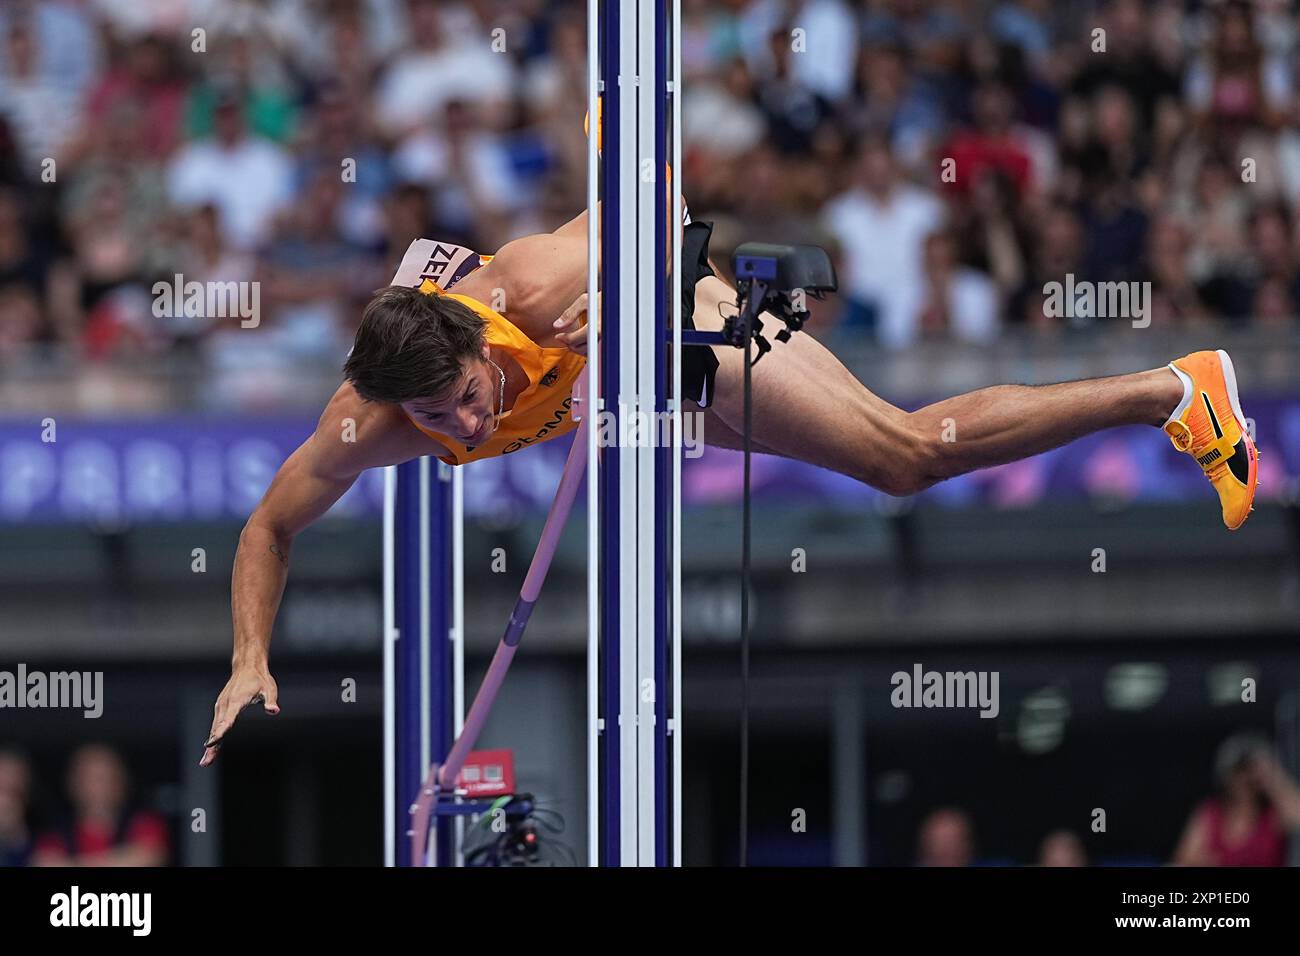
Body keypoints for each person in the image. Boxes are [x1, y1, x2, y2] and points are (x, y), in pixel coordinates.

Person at [202, 202, 1258, 765]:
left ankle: (1172, 389)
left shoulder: (533, 284)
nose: (462, 425)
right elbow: (268, 523)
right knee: (902, 456)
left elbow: (659, 195)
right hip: (622, 398)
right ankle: (1171, 390)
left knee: (902, 456)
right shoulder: (369, 418)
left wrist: (625, 291)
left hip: (673, 329)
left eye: (466, 397)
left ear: (476, 343)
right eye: (436, 421)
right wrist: (250, 655)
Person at [31, 744, 169, 867]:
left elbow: (149, 857)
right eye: (90, 779)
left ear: (122, 783)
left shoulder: (144, 823)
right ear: (73, 784)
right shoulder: (54, 833)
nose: (100, 788)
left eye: (107, 778)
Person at [1173, 735, 1300, 867]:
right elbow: (1183, 860)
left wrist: (1272, 777)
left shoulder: (1271, 815)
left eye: (1250, 771)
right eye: (1239, 771)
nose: (1245, 779)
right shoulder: (1211, 813)